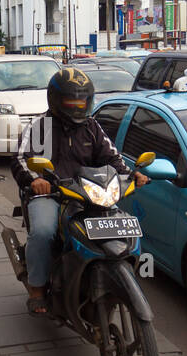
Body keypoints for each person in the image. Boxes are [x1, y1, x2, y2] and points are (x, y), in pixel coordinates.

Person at [11, 67, 150, 314]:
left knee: (121, 226)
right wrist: (34, 180)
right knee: (43, 231)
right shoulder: (39, 126)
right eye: (71, 100)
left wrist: (131, 174)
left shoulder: (92, 127)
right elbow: (21, 158)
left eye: (82, 100)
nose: (78, 106)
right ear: (55, 100)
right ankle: (37, 287)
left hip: (90, 194)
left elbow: (112, 158)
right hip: (52, 194)